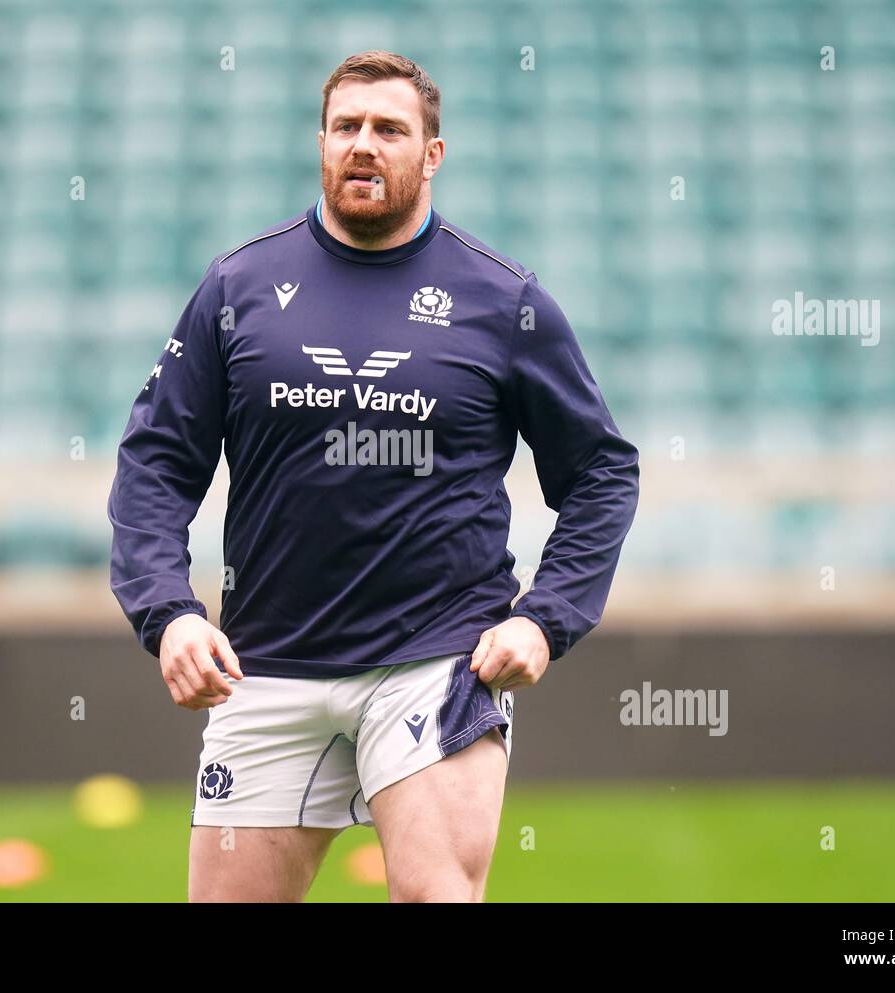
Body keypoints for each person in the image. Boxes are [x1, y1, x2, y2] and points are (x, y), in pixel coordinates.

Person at [108, 50, 639, 902]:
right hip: (266, 663)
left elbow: (602, 472)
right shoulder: (238, 286)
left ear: (431, 154)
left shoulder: (505, 301)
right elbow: (157, 460)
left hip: (438, 658)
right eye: (346, 126)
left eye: (390, 129)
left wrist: (547, 618)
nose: (364, 144)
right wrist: (166, 611)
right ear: (321, 142)